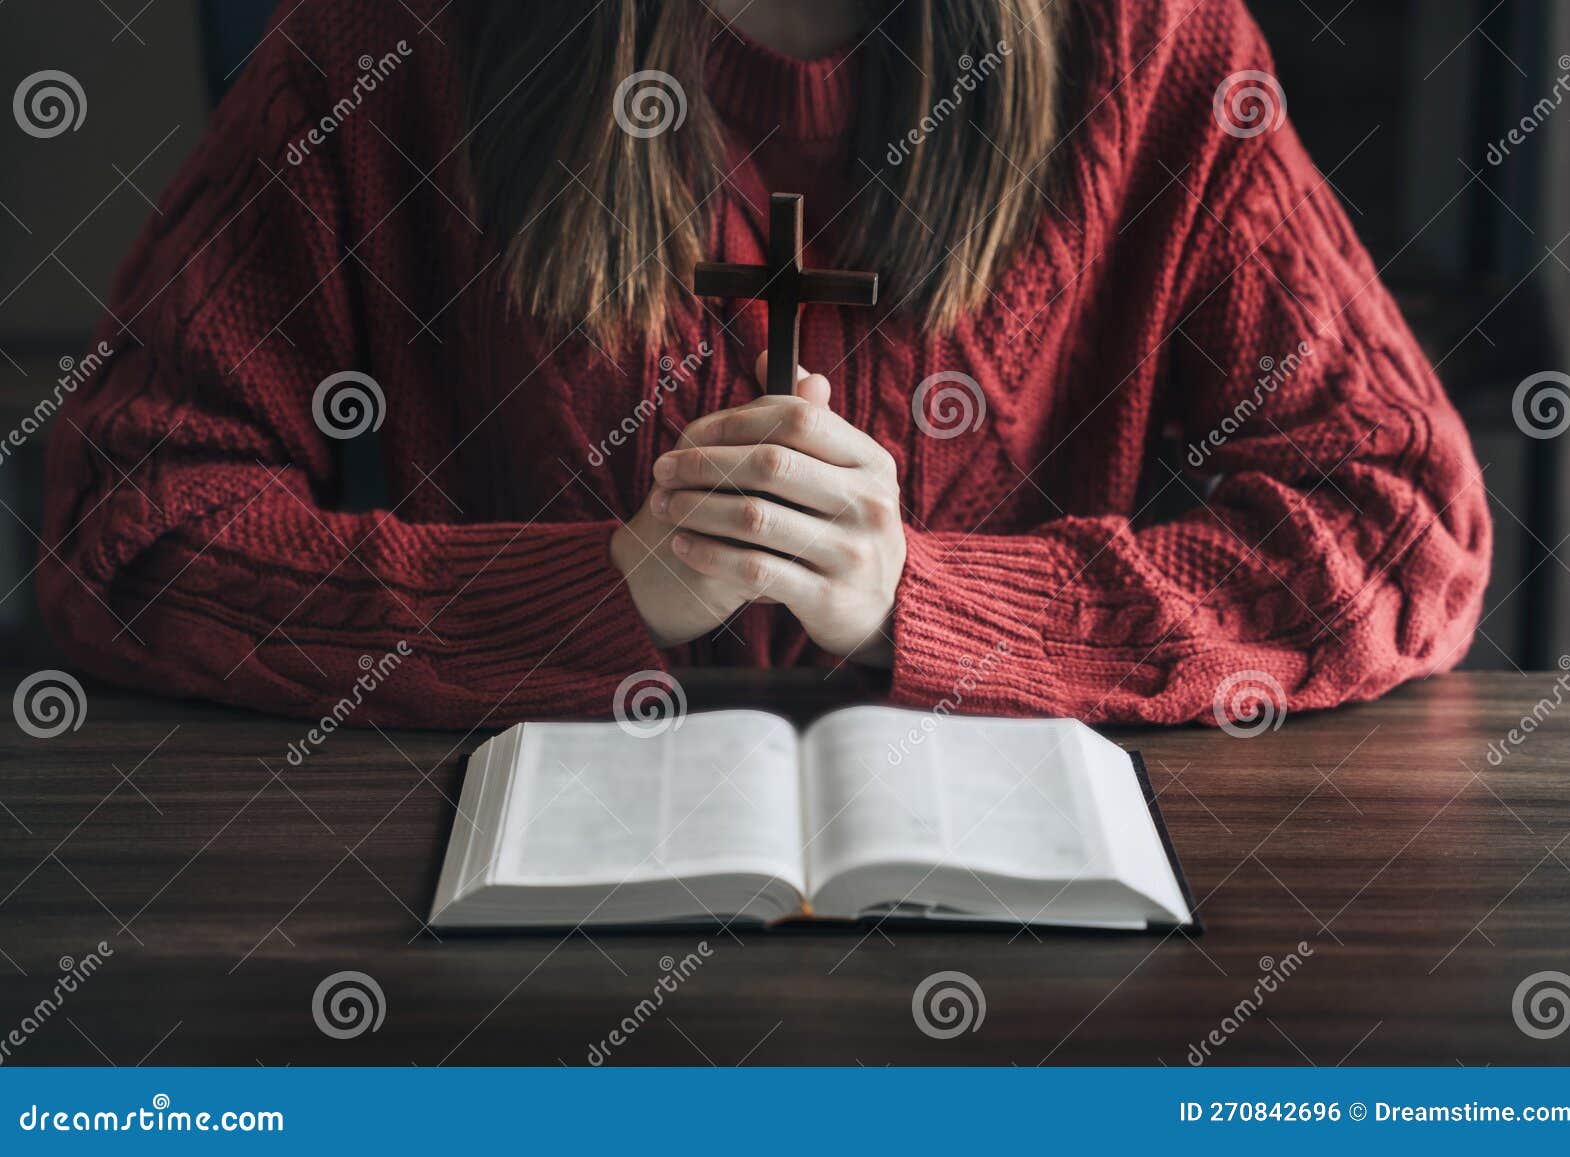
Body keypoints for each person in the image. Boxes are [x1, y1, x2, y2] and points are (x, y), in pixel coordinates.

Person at [39, 0, 1491, 728]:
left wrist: (938, 607)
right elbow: (129, 523)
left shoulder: (1156, 42)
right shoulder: (384, 38)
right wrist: (580, 595)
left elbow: (1400, 523)